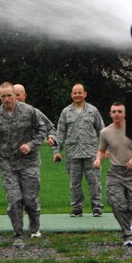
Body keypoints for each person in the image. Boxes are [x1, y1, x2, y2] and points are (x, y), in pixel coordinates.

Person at [0, 81, 48, 246]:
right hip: (8, 164)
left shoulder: (29, 112)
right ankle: (18, 233)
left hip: (29, 162)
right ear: (0, 97)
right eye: (3, 96)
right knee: (14, 199)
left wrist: (31, 145)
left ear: (15, 95)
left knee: (30, 199)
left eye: (9, 95)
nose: (6, 99)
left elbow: (42, 130)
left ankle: (34, 229)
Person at [94, 102, 132, 247]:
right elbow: (101, 150)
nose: (117, 114)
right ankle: (127, 235)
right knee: (117, 204)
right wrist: (98, 160)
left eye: (120, 111)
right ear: (110, 114)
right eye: (114, 112)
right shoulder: (105, 132)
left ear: (125, 114)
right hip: (115, 173)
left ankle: (126, 218)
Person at [53, 83, 105, 217]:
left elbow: (102, 130)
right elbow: (60, 133)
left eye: (79, 92)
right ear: (71, 95)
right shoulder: (66, 112)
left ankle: (97, 207)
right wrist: (57, 151)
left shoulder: (93, 111)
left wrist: (104, 149)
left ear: (85, 94)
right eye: (74, 93)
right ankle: (76, 208)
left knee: (94, 181)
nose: (77, 95)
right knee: (74, 183)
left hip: (91, 152)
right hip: (72, 153)